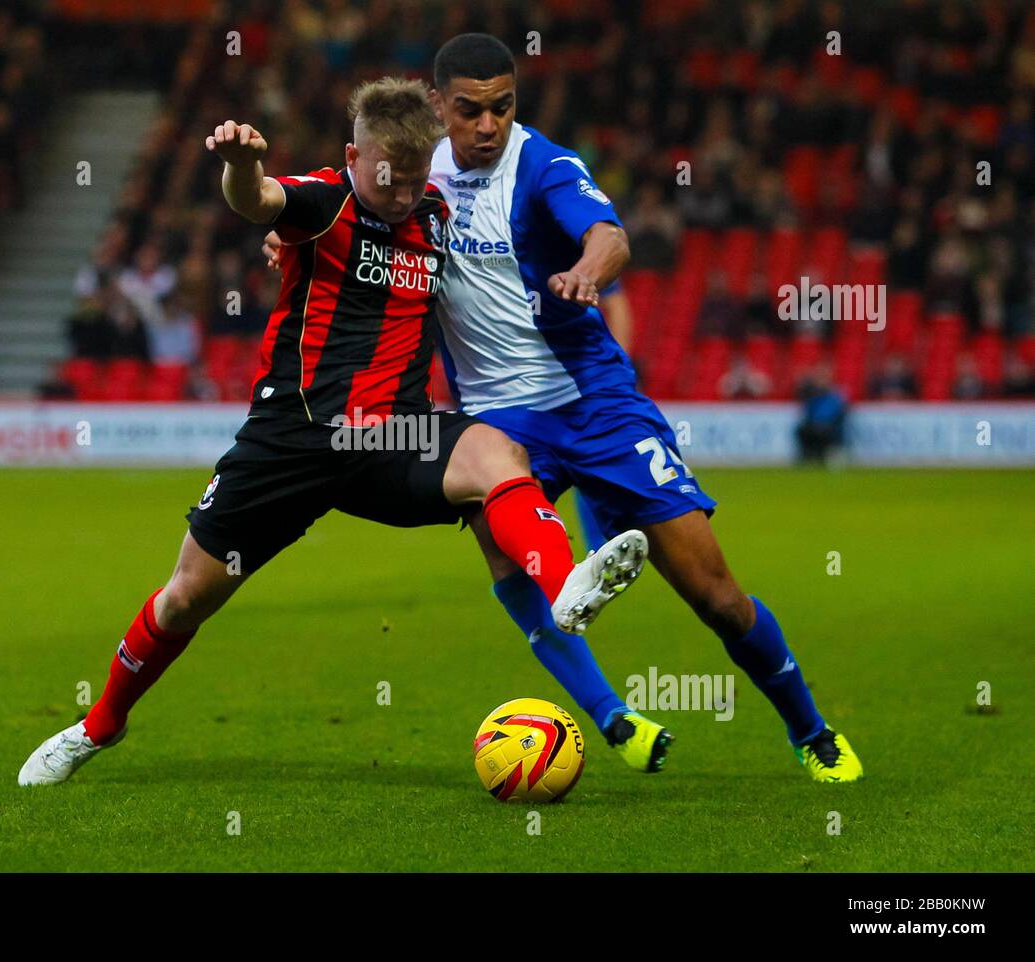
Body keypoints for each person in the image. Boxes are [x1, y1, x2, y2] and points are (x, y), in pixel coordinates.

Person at [18, 77, 645, 787]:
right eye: (391, 180)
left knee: (498, 454)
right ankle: (98, 726)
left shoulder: (433, 213)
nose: (405, 195)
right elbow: (258, 202)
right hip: (293, 440)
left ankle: (568, 586)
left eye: (415, 180)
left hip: (389, 441)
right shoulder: (323, 201)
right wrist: (241, 163)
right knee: (187, 595)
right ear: (354, 157)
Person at [269, 34, 861, 782]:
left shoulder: (542, 165)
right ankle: (616, 721)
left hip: (594, 405)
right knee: (508, 566)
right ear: (436, 107)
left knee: (714, 594)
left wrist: (587, 270)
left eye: (503, 107)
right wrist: (283, 244)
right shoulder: (414, 177)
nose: (489, 125)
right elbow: (333, 211)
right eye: (470, 110)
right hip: (495, 422)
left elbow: (609, 236)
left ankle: (810, 731)